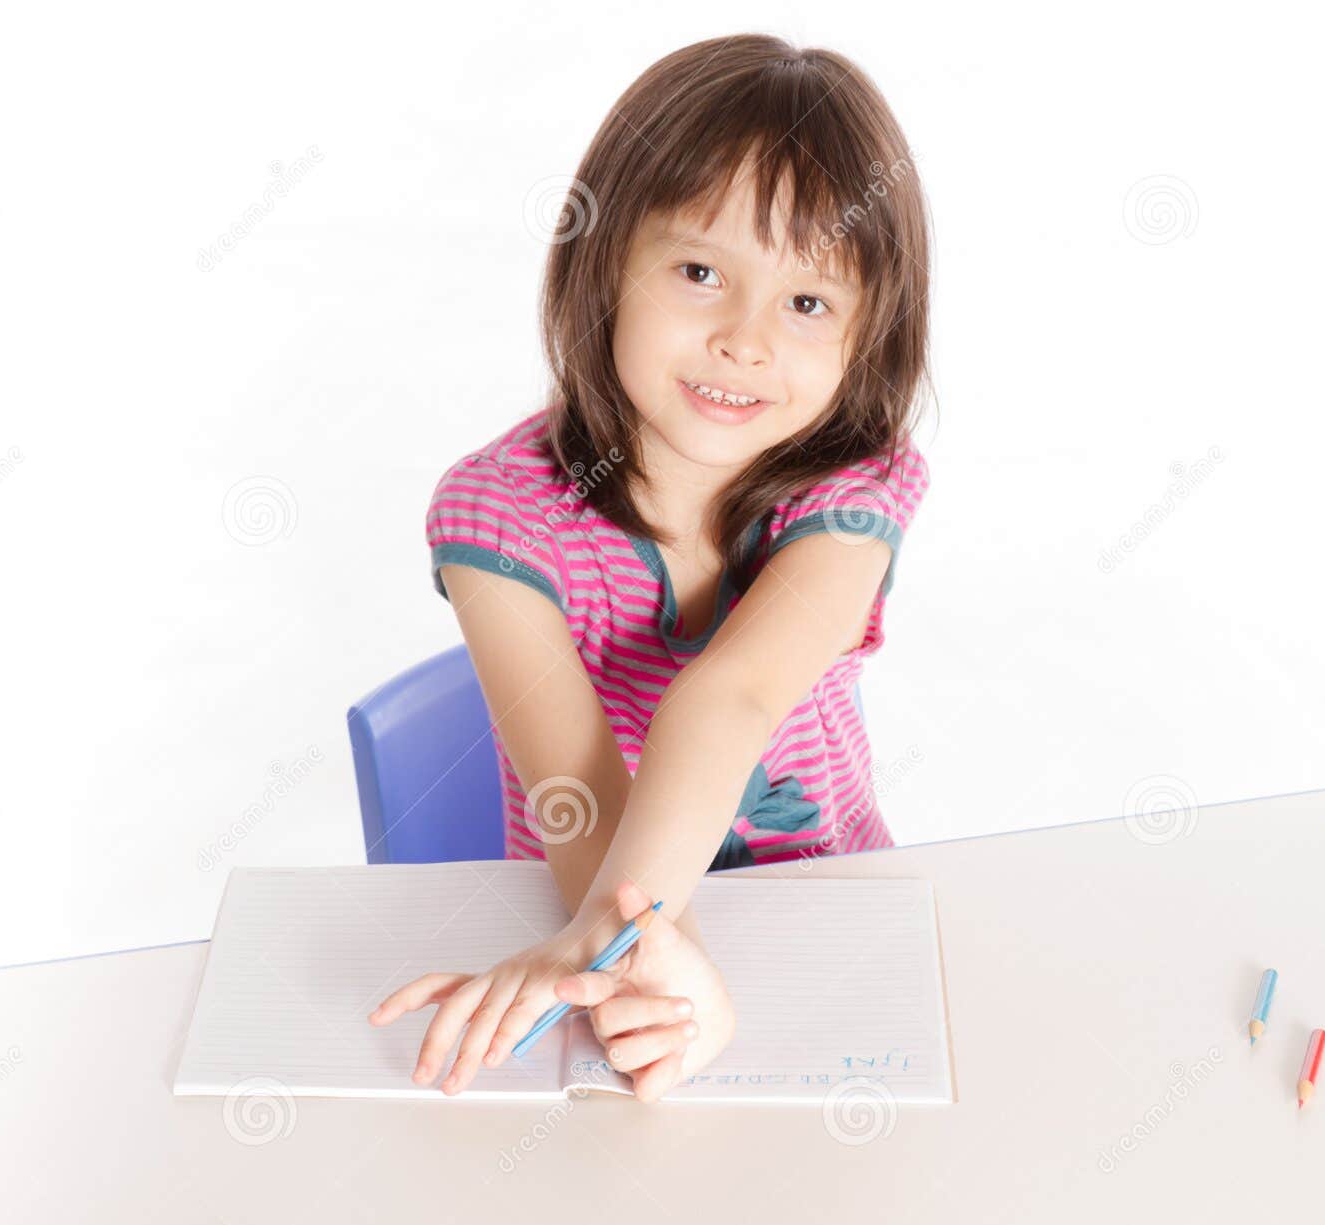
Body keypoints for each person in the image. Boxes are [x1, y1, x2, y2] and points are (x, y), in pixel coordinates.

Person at [369, 33, 934, 1102]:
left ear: (866, 336)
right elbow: (577, 794)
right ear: (604, 268)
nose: (744, 338)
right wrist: (636, 960)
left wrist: (637, 957)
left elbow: (734, 693)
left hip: (827, 922)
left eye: (807, 303)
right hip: (593, 908)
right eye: (698, 272)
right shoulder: (499, 516)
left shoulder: (853, 488)